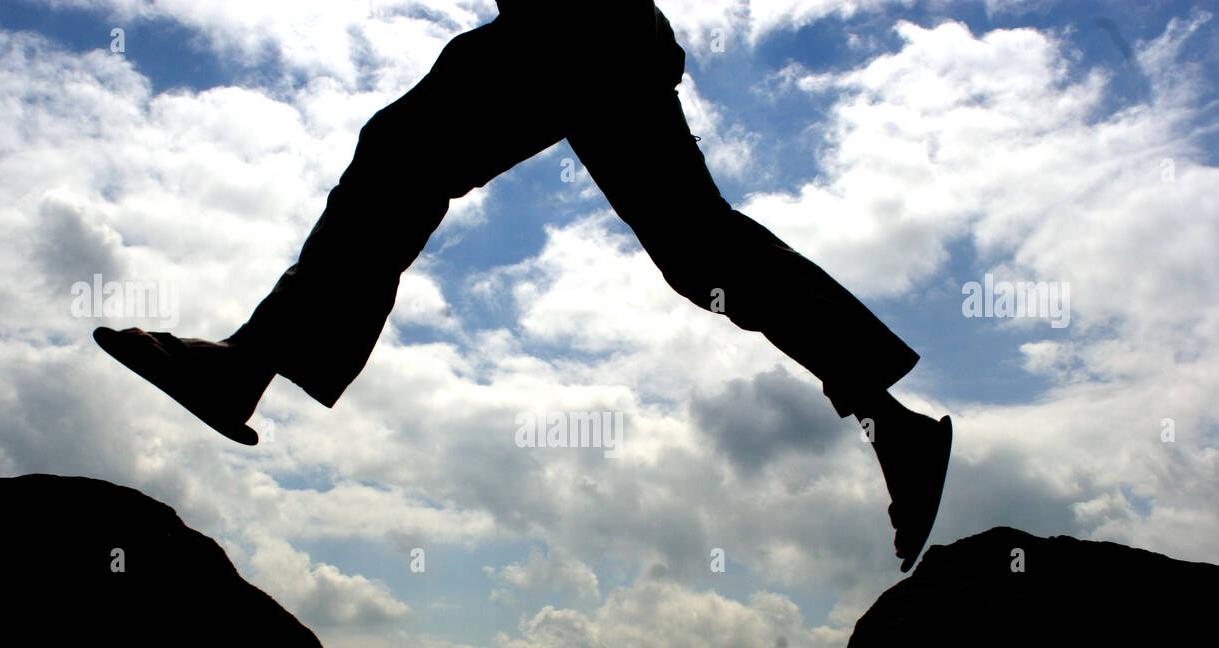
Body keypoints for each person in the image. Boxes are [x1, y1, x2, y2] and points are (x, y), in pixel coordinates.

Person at [94, 1, 951, 572]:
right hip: (591, 24)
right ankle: (892, 423)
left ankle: (246, 367)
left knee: (406, 153)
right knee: (701, 252)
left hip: (576, 17)